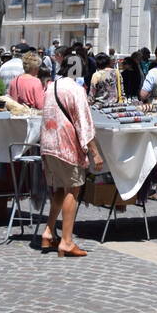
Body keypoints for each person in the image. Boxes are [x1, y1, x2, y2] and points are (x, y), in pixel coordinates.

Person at [40, 73, 104, 257]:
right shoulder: (76, 90)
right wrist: (95, 153)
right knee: (72, 190)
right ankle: (66, 242)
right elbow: (84, 124)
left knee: (60, 188)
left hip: (49, 143)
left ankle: (48, 232)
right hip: (66, 145)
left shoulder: (51, 87)